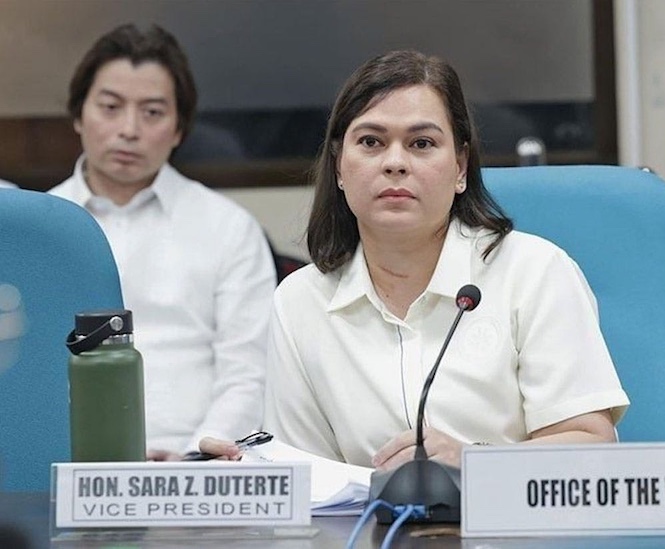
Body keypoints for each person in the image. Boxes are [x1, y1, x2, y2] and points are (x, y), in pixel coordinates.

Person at [202, 50, 628, 469]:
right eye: (371, 142)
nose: (394, 163)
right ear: (338, 167)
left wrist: (473, 462)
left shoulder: (534, 271)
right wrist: (252, 473)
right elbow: (309, 476)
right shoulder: (300, 301)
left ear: (460, 166)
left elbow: (590, 445)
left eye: (421, 143)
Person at [50, 24, 276, 460]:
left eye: (152, 112)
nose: (129, 129)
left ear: (179, 129)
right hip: (55, 471)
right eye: (110, 107)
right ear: (79, 115)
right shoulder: (40, 228)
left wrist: (193, 458)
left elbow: (250, 373)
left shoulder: (228, 228)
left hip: (190, 472)